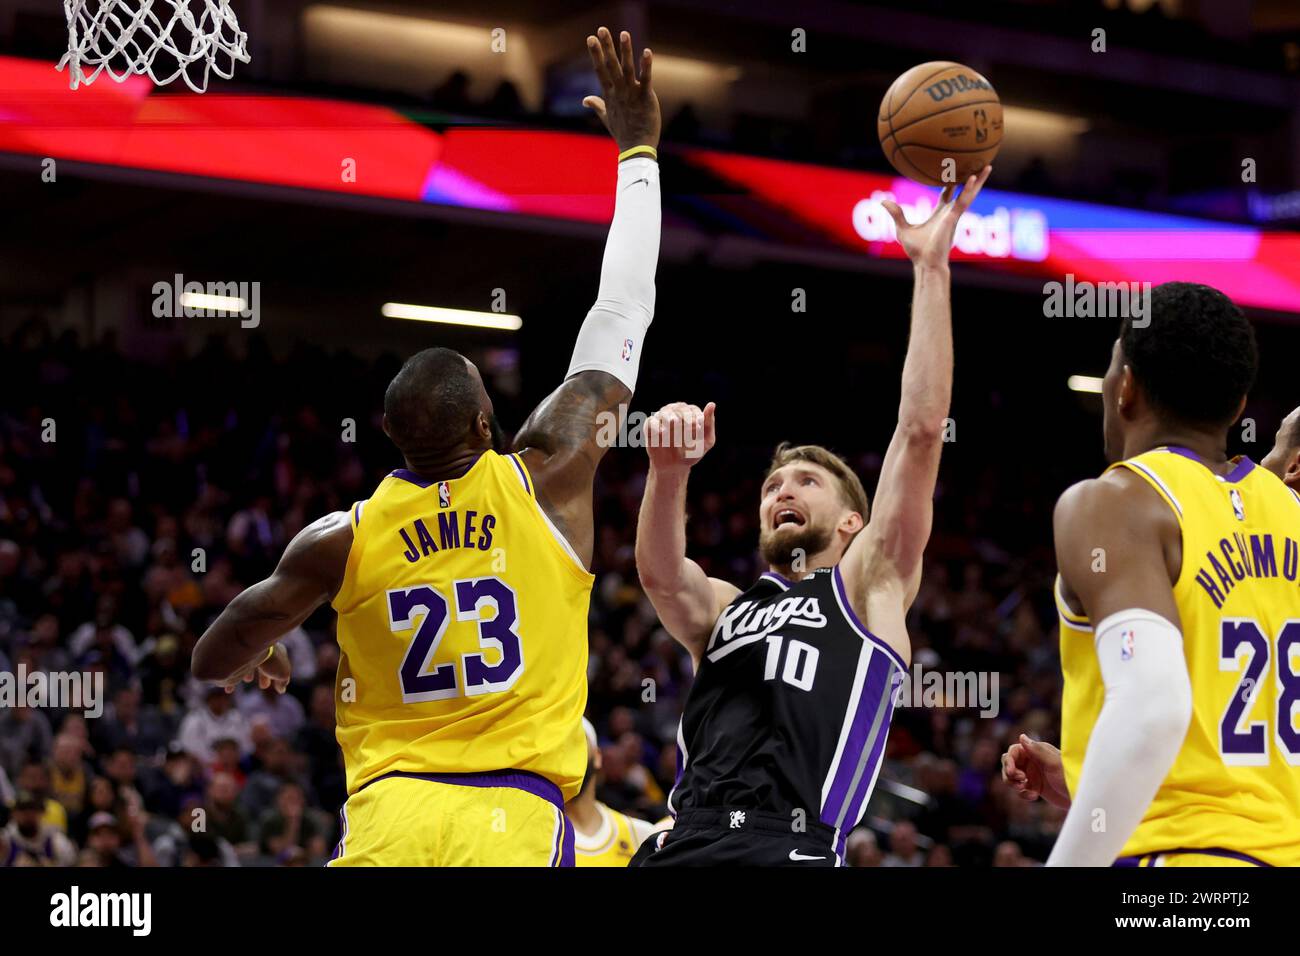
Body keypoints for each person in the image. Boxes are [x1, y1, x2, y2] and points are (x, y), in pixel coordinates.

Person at [191, 26, 662, 867]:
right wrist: (638, 151)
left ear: (388, 435)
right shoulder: (547, 478)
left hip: (389, 817)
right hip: (511, 818)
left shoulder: (341, 538)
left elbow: (211, 652)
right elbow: (622, 311)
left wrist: (261, 647)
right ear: (489, 425)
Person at [630, 167, 992, 865]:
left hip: (785, 847)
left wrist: (931, 268)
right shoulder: (728, 609)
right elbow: (662, 577)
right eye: (771, 485)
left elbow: (919, 431)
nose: (780, 492)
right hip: (680, 841)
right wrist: (668, 472)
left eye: (804, 481)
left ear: (853, 521)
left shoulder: (870, 584)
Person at [1005, 289, 1300, 866]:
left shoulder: (1112, 501)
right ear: (1239, 404)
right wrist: (1087, 776)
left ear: (1125, 387)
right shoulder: (1289, 512)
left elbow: (1152, 706)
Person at [566, 718, 657, 866]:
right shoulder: (536, 834)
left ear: (598, 756)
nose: (567, 749)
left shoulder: (641, 834)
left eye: (576, 738)